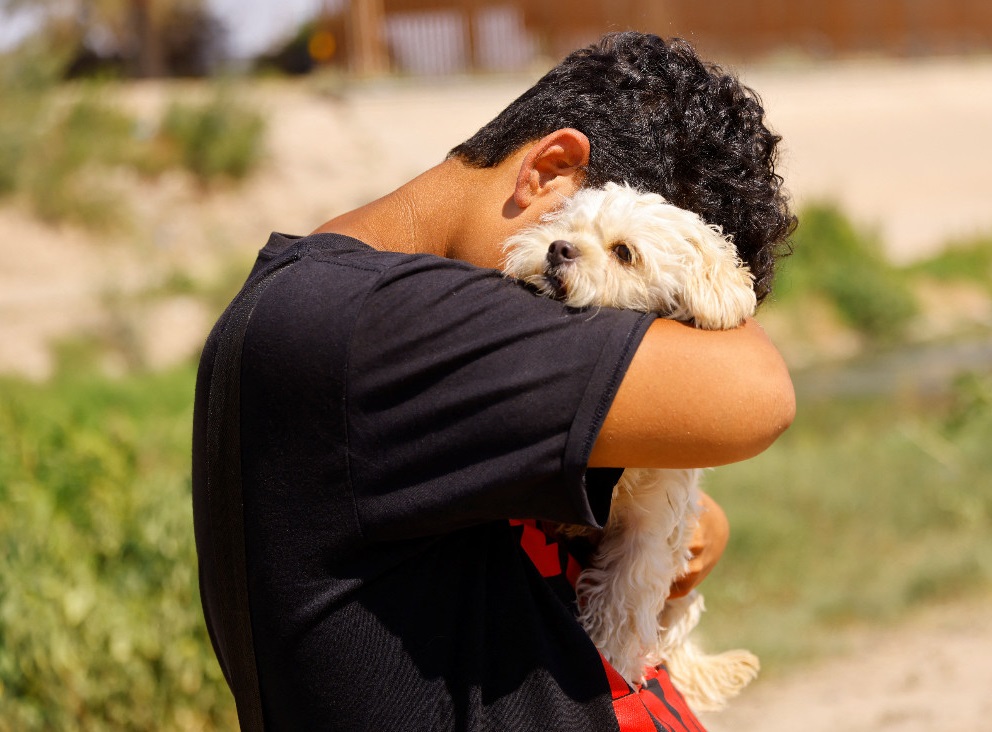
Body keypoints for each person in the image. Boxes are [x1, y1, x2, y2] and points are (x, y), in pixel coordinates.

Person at [193, 32, 796, 731]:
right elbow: (757, 393)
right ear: (549, 171)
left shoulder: (330, 306)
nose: (598, 322)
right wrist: (708, 285)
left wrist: (675, 520)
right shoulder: (385, 323)